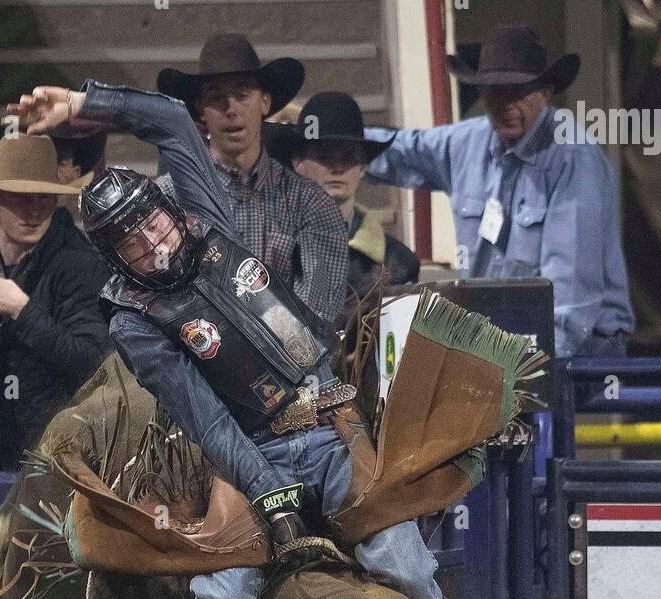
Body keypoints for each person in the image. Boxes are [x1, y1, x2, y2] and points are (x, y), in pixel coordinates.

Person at [15, 80, 452, 599]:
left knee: (408, 567)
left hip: (333, 428)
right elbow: (205, 416)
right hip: (246, 451)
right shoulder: (133, 320)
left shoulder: (207, 221)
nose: (156, 245)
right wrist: (268, 489)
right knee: (223, 598)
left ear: (169, 213)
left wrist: (80, 106)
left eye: (155, 226)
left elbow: (169, 120)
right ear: (117, 256)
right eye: (135, 243)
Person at [363, 23, 634, 358]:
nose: (504, 104)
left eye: (516, 92)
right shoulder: (468, 143)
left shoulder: (573, 158)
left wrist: (530, 366)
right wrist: (327, 139)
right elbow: (400, 150)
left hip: (584, 342)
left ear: (546, 93)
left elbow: (570, 298)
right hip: (498, 338)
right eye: (493, 91)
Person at [156, 33, 347, 342]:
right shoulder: (167, 200)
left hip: (290, 371)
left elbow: (316, 318)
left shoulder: (310, 204)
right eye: (216, 97)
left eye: (243, 94)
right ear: (200, 111)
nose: (230, 108)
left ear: (265, 102)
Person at [0, 133, 110, 471]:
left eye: (45, 198)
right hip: (2, 450)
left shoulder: (78, 264)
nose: (35, 210)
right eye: (21, 198)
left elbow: (94, 364)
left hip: (68, 456)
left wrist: (21, 311)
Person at [270, 90, 419, 324]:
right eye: (323, 155)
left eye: (349, 156)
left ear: (362, 167)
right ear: (297, 161)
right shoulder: (268, 249)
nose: (337, 167)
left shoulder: (397, 265)